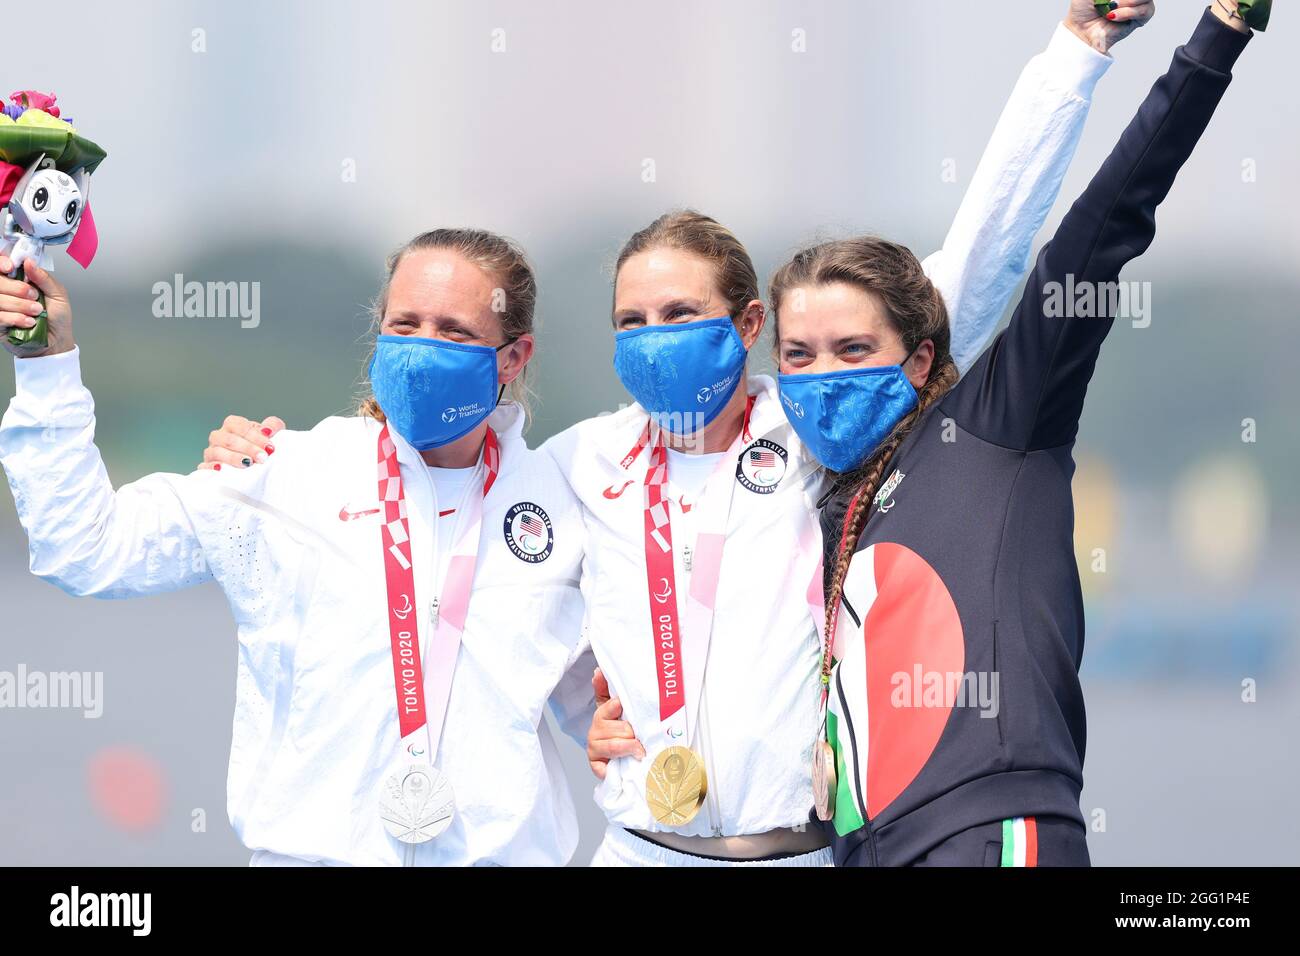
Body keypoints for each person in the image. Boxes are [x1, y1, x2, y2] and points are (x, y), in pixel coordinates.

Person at [199, 1, 1153, 866]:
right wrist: (273, 459)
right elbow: (451, 530)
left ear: (746, 327)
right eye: (632, 321)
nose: (655, 341)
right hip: (638, 849)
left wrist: (1076, 51)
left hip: (801, 854)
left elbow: (978, 263)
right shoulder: (578, 465)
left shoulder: (816, 418)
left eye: (680, 314)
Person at [768, 3, 1258, 866]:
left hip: (990, 837)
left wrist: (1217, 35)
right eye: (798, 355)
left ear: (921, 360)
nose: (823, 377)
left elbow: (1103, 225)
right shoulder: (832, 506)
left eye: (853, 349)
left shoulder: (999, 426)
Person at [0, 228, 597, 866]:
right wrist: (48, 365)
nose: (423, 348)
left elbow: (612, 709)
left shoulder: (568, 507)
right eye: (404, 324)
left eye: (453, 331)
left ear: (513, 356)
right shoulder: (282, 474)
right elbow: (85, 547)